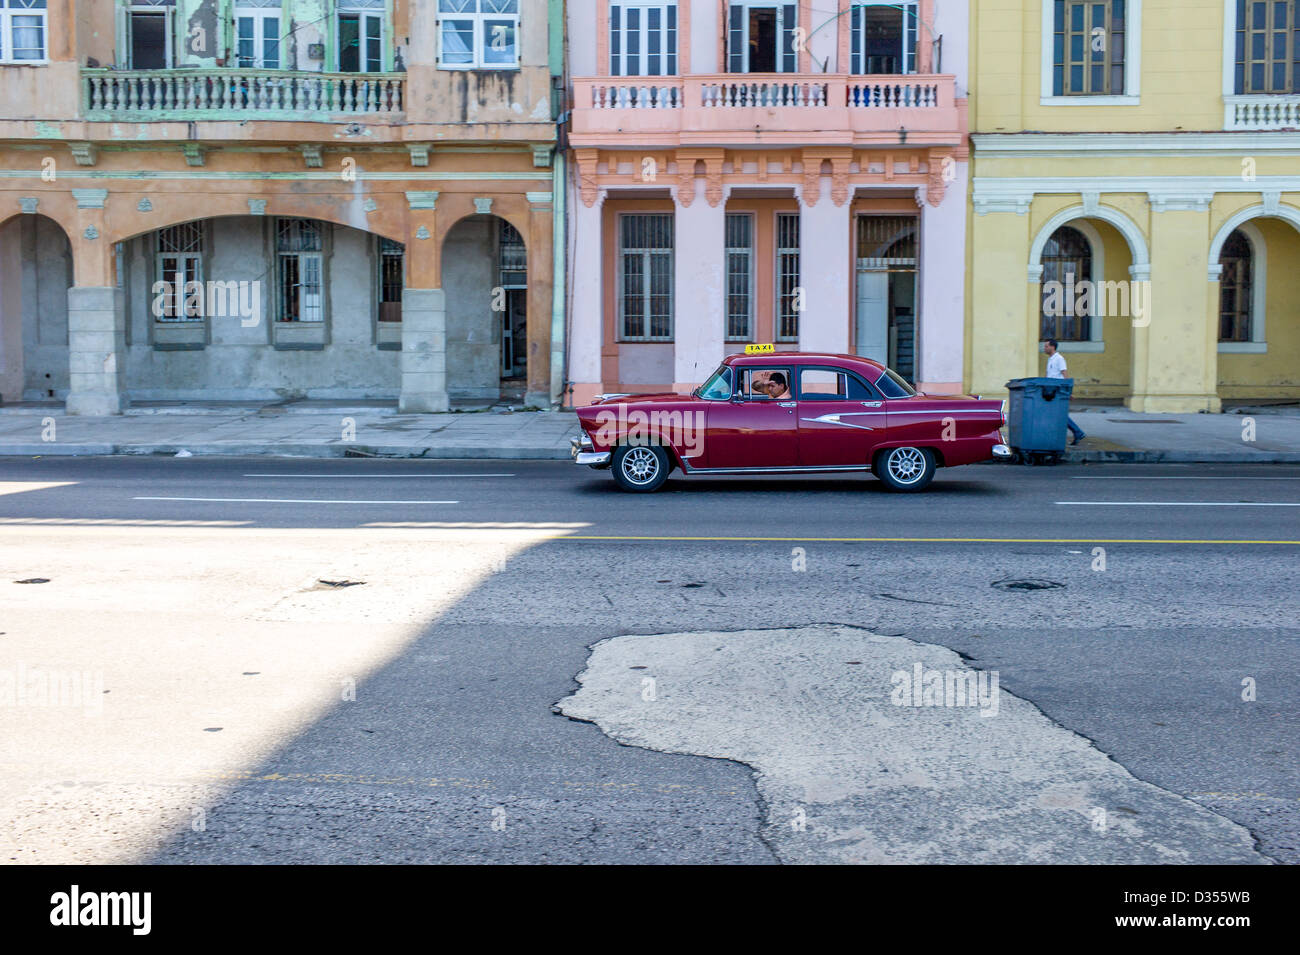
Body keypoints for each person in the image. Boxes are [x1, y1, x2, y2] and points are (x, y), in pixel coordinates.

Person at [1043, 339, 1085, 445]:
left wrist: (1068, 390)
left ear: (1052, 347)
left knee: (1059, 414)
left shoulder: (1059, 359)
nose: (1045, 348)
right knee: (1056, 414)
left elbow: (1064, 373)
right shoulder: (1051, 359)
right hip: (1051, 390)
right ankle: (1075, 432)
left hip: (1058, 390)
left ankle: (1077, 432)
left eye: (1046, 346)